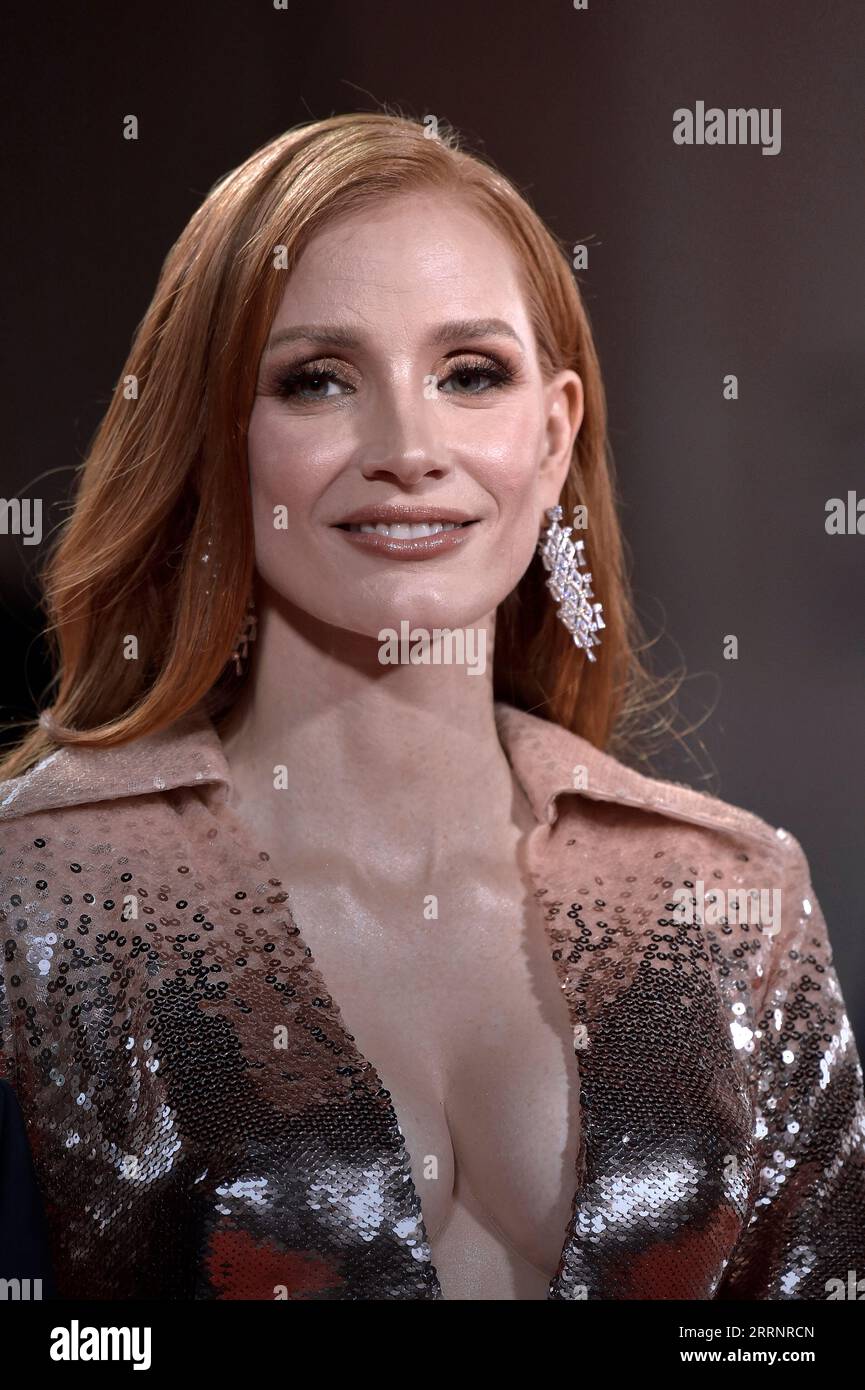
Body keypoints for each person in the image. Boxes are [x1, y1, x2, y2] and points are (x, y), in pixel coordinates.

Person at [0, 112, 863, 1301]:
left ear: (552, 434)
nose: (408, 446)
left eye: (470, 375)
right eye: (317, 380)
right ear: (214, 435)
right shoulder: (40, 891)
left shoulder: (732, 899)